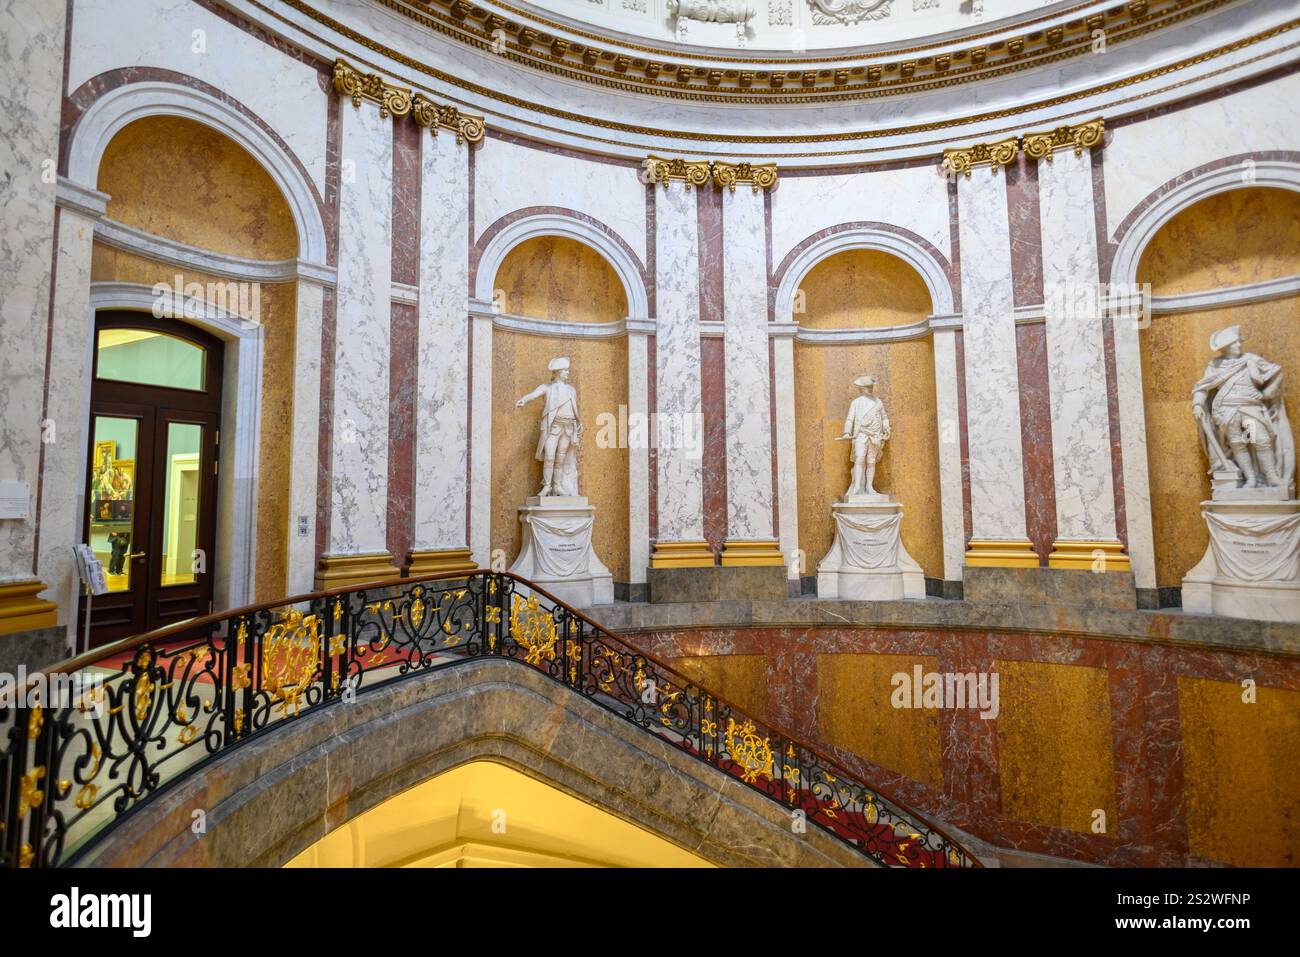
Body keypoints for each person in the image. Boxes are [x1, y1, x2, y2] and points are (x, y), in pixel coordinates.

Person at [1191, 325, 1293, 490]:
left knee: (1260, 440)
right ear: (1225, 347)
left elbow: (1276, 372)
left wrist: (1267, 393)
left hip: (1249, 408)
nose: (1239, 345)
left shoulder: (1251, 359)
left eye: (1239, 342)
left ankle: (1271, 476)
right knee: (1237, 443)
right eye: (1235, 343)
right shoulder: (1216, 365)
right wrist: (1197, 404)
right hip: (1226, 411)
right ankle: (1250, 478)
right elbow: (1202, 387)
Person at [516, 356, 583, 497]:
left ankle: (557, 486)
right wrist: (524, 400)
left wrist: (577, 423)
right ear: (558, 372)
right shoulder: (547, 388)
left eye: (567, 370)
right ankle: (546, 487)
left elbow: (574, 409)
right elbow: (534, 394)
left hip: (568, 427)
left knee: (561, 458)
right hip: (554, 426)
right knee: (550, 456)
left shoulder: (571, 390)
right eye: (565, 370)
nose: (567, 373)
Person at [836, 374, 891, 498]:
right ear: (862, 389)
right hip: (861, 435)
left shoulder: (878, 402)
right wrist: (846, 432)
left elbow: (884, 417)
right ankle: (857, 487)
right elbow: (850, 418)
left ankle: (869, 487)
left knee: (871, 462)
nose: (870, 389)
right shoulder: (856, 402)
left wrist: (886, 426)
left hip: (875, 436)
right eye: (867, 387)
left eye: (871, 387)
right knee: (859, 459)